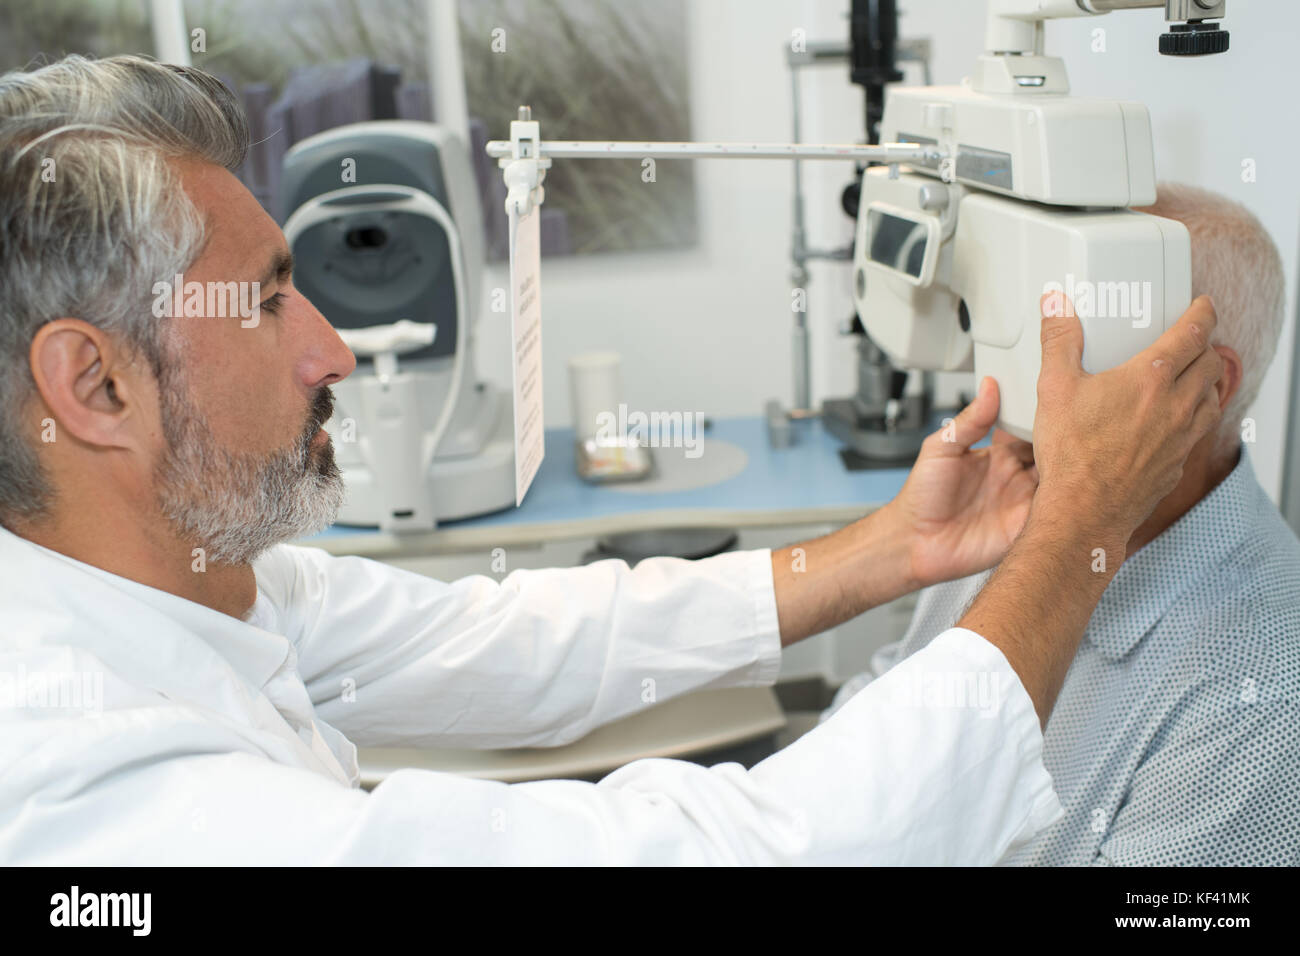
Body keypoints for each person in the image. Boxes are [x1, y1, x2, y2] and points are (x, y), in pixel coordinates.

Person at [0, 54, 1223, 864]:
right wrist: (1083, 529)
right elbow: (744, 852)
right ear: (94, 385)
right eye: (269, 303)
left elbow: (520, 640)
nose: (335, 350)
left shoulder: (195, 572)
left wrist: (889, 550)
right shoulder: (94, 788)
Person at [825, 184, 1300, 866]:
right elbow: (889, 695)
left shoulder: (1262, 684)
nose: (1048, 378)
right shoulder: (1023, 504)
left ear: (1205, 388)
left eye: (1087, 328)